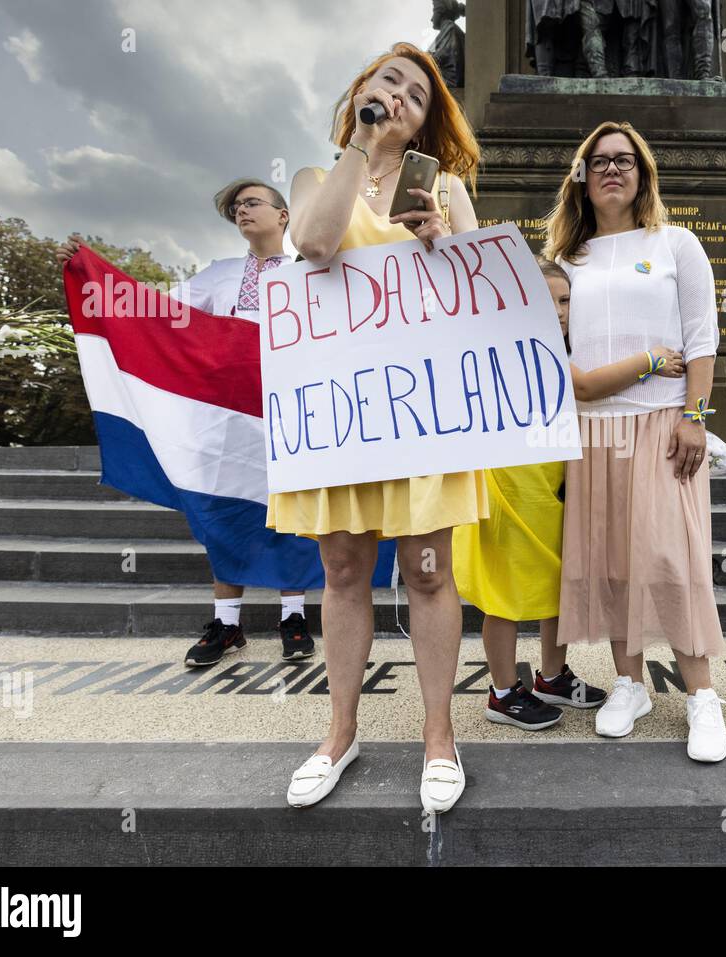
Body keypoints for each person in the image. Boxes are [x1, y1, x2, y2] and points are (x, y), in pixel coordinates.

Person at [272, 43, 486, 814]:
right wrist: (361, 148)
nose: (399, 96)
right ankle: (340, 731)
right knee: (342, 571)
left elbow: (478, 298)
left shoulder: (447, 189)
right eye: (388, 81)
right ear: (363, 90)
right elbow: (317, 244)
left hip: (423, 410)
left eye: (417, 96)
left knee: (428, 571)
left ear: (429, 124)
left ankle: (438, 735)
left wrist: (442, 245)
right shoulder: (314, 178)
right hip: (342, 411)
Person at [55, 179, 315, 668]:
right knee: (220, 512)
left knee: (291, 513)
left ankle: (293, 616)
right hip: (222, 419)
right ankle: (227, 622)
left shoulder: (311, 272)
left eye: (253, 203)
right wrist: (91, 272)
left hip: (285, 414)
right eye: (237, 206)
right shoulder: (218, 274)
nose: (242, 211)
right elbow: (156, 313)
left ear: (284, 216)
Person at [544, 120, 726, 763]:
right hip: (590, 431)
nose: (613, 170)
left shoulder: (676, 243)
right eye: (599, 161)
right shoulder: (568, 261)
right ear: (582, 177)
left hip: (661, 424)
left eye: (625, 160)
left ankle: (702, 695)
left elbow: (702, 339)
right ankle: (630, 682)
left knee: (672, 560)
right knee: (613, 562)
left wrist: (695, 416)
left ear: (643, 173)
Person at [453, 256, 690, 730]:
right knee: (504, 594)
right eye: (546, 298)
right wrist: (651, 359)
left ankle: (552, 676)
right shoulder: (517, 343)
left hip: (551, 485)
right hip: (508, 487)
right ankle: (502, 691)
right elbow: (583, 387)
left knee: (552, 585)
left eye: (567, 300)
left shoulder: (567, 343)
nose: (559, 309)